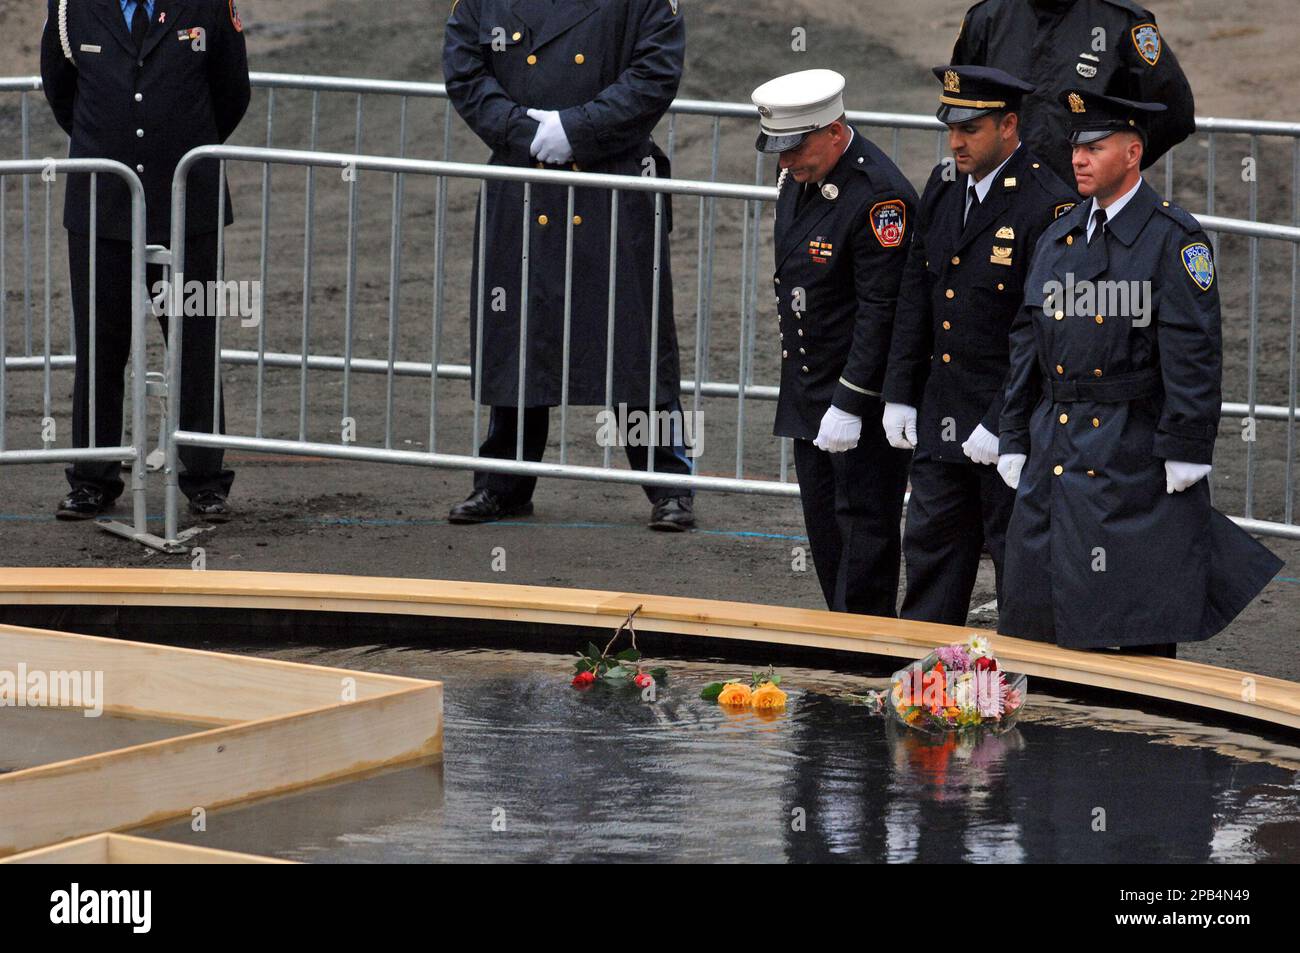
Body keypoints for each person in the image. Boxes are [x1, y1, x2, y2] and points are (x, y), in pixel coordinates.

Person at [995, 88, 1283, 656]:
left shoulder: (1172, 239)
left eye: (1094, 148)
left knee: (1133, 605)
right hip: (1055, 439)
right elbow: (1027, 343)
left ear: (1131, 154)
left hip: (1131, 442)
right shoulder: (1060, 235)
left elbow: (1194, 350)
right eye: (1075, 148)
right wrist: (1011, 434)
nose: (1077, 159)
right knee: (1040, 610)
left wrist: (1188, 444)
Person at [442, 0, 696, 531]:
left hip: (612, 178)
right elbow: (465, 68)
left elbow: (654, 74)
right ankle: (503, 482)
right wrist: (521, 130)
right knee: (519, 334)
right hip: (522, 176)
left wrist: (576, 129)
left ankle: (668, 482)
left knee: (632, 339)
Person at [41, 0, 249, 522]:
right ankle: (93, 476)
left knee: (194, 344)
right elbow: (61, 91)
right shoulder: (70, 6)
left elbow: (231, 90)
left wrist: (177, 151)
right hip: (102, 207)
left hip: (186, 204)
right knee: (99, 349)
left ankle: (204, 481)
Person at [883, 65, 1076, 627]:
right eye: (951, 127)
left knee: (1019, 576)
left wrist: (1000, 421)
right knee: (929, 561)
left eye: (971, 128)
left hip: (1009, 423)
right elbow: (917, 293)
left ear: (1009, 125)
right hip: (942, 412)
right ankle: (921, 690)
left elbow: (1041, 328)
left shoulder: (1048, 203)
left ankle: (1021, 698)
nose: (956, 141)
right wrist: (899, 392)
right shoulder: (944, 186)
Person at [753, 69, 917, 615]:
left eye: (795, 149)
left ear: (832, 129)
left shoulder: (878, 198)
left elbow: (882, 310)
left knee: (864, 532)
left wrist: (849, 400)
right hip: (808, 389)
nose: (785, 163)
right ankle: (841, 644)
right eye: (778, 151)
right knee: (825, 532)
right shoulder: (799, 180)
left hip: (856, 398)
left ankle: (863, 656)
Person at [952, 0, 1195, 188]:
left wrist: (1115, 167)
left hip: (1081, 210)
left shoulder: (1121, 22)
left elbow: (1174, 114)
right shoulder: (987, 18)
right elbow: (961, 105)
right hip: (999, 204)